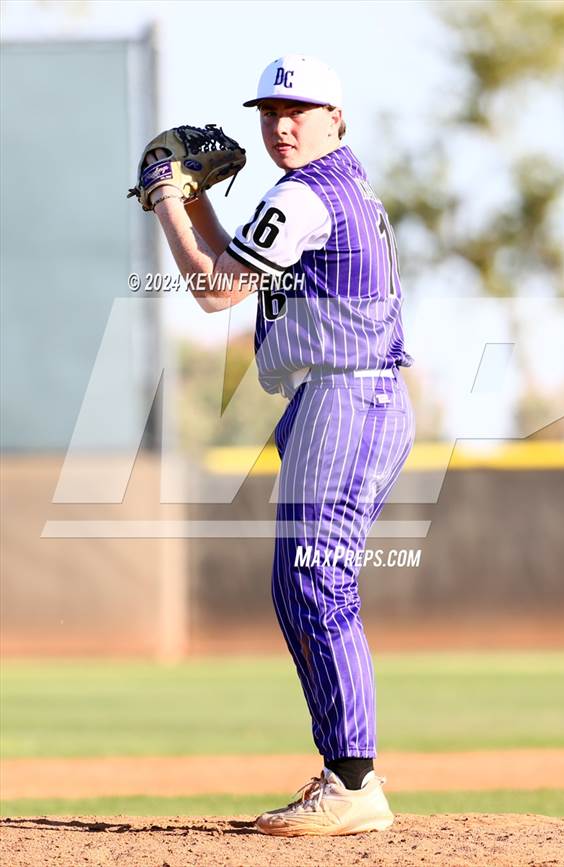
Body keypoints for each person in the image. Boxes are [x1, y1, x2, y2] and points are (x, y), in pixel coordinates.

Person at [145, 54, 415, 836]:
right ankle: (346, 772)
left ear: (336, 117)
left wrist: (168, 201)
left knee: (315, 584)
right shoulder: (340, 183)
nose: (280, 124)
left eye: (298, 109)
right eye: (269, 111)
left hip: (347, 393)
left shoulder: (302, 194)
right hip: (349, 394)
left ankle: (354, 782)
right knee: (303, 584)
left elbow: (212, 291)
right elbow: (240, 264)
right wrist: (197, 208)